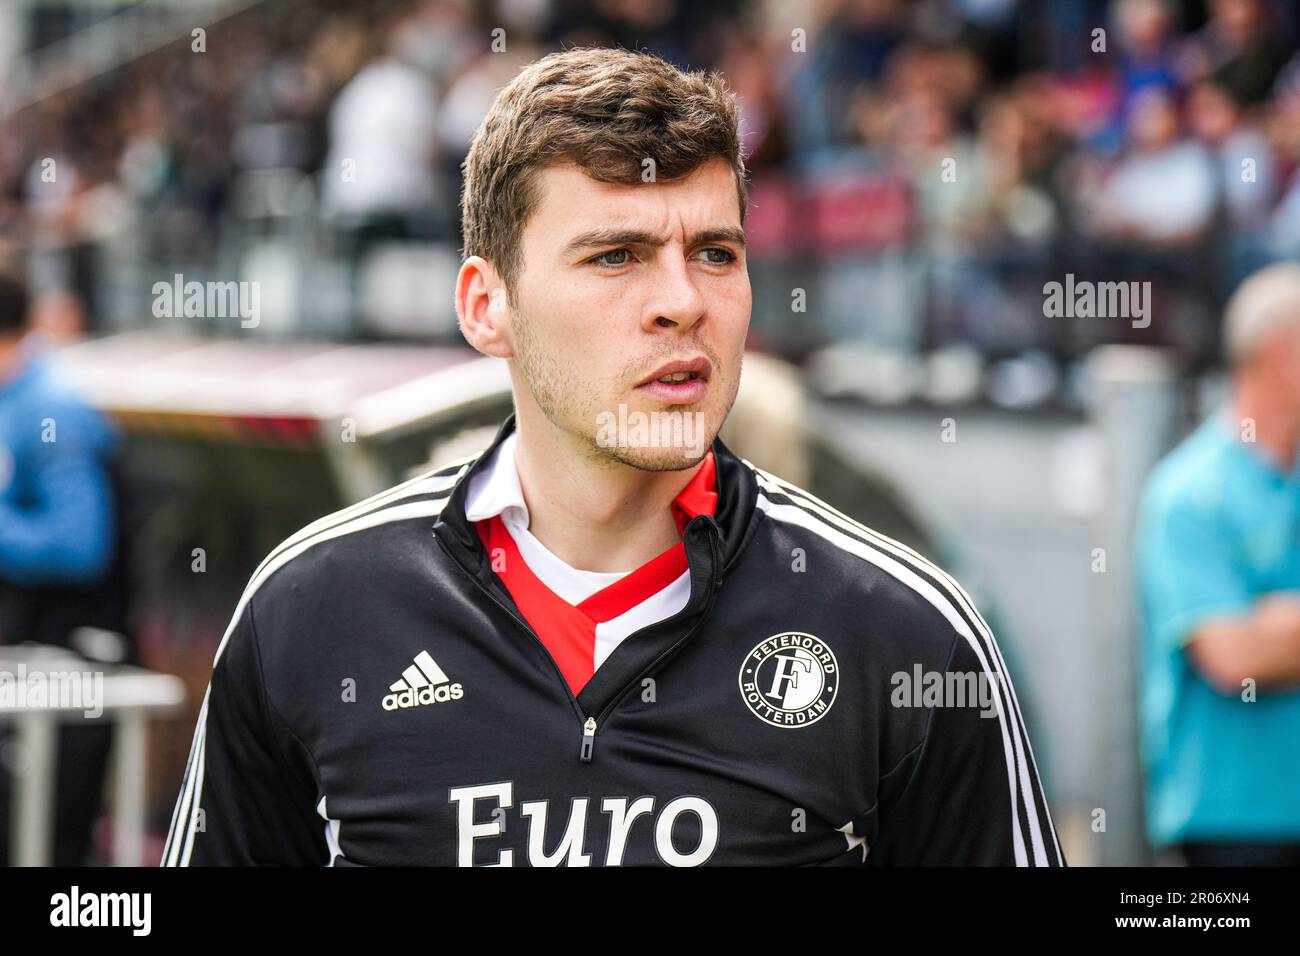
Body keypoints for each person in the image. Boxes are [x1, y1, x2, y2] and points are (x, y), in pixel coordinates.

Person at [163, 46, 1063, 867]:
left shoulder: (905, 631)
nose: (683, 301)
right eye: (617, 256)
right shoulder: (313, 607)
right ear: (486, 306)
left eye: (715, 253)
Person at [1136, 262, 1300, 866]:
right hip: (1233, 826)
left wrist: (1275, 623)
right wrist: (1255, 635)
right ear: (1279, 355)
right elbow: (1234, 655)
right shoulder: (1188, 495)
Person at [0, 270, 129, 865]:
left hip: (71, 665)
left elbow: (81, 545)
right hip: (25, 658)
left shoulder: (53, 409)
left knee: (47, 843)